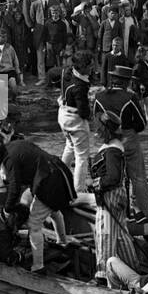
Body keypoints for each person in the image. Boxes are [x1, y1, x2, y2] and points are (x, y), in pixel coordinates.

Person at [0, 136, 76, 273]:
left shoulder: (9, 158)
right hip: (58, 170)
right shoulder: (15, 146)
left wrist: (7, 209)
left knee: (34, 225)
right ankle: (62, 242)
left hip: (48, 180)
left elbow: (14, 187)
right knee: (53, 211)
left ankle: (38, 266)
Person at [88, 109, 142, 286]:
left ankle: (102, 275)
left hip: (109, 197)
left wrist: (95, 183)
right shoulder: (116, 147)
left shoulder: (111, 150)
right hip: (118, 196)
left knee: (105, 233)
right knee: (120, 235)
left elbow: (112, 177)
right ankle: (132, 267)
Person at [93, 63, 148, 217]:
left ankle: (117, 211)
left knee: (114, 176)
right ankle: (144, 213)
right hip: (127, 137)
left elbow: (96, 119)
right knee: (138, 178)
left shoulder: (99, 96)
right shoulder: (130, 97)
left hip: (108, 140)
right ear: (126, 82)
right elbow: (142, 123)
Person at [57, 49, 93, 193]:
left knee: (70, 146)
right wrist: (92, 113)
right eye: (90, 65)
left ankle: (59, 176)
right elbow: (84, 112)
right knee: (82, 157)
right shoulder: (80, 86)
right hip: (74, 120)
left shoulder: (67, 72)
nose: (92, 68)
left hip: (63, 114)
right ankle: (79, 190)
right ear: (82, 66)